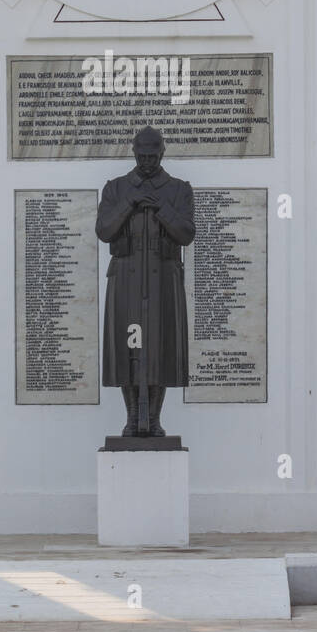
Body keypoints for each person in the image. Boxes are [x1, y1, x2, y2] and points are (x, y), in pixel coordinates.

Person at [95, 126, 195, 436]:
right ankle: (130, 419)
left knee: (160, 346)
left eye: (153, 156)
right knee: (128, 347)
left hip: (163, 279)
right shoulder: (116, 188)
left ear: (163, 153)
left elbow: (186, 234)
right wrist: (130, 203)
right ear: (134, 152)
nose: (147, 162)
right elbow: (104, 231)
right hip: (126, 278)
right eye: (142, 156)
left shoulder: (179, 189)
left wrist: (160, 207)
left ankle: (153, 419)